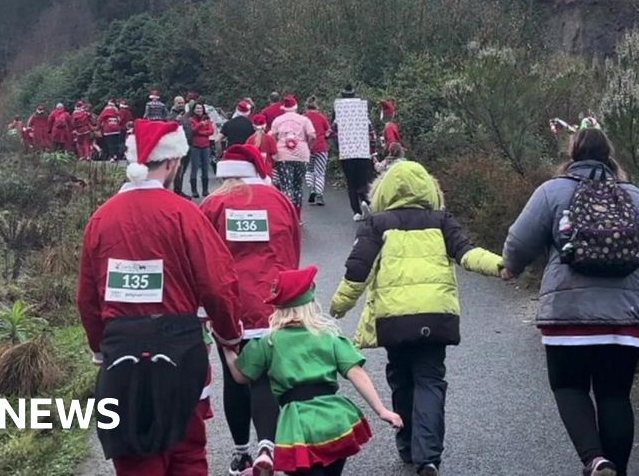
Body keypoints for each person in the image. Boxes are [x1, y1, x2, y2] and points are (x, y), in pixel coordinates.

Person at [502, 119, 639, 476]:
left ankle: (595, 460)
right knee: (615, 395)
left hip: (568, 315)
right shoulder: (635, 196)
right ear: (609, 156)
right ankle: (614, 470)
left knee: (569, 386)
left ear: (572, 154)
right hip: (629, 319)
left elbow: (518, 244)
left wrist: (511, 268)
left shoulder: (552, 191)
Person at [77, 118, 243, 476]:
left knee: (134, 452)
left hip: (121, 350)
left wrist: (98, 347)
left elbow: (88, 298)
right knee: (187, 451)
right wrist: (230, 334)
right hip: (181, 349)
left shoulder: (101, 218)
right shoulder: (185, 214)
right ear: (171, 162)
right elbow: (217, 284)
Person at [330, 161, 504, 476]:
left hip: (394, 318)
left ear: (383, 190)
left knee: (401, 377)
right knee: (431, 379)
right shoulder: (442, 221)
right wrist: (501, 266)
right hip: (437, 316)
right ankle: (429, 457)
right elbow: (468, 253)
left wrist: (339, 305)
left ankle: (408, 444)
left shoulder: (376, 223)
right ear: (429, 188)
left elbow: (358, 270)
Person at [223, 266, 403, 476]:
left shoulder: (269, 342)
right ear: (311, 304)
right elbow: (357, 374)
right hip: (335, 420)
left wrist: (227, 347)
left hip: (298, 425)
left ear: (278, 308)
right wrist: (382, 410)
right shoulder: (328, 336)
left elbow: (240, 375)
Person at [201, 145, 301, 476]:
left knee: (236, 376)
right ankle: (269, 445)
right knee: (269, 375)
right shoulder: (281, 201)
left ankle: (241, 452)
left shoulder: (214, 204)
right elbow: (293, 248)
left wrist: (202, 306)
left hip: (230, 305)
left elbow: (202, 258)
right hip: (275, 302)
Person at [332, 85, 376, 221]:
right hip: (363, 152)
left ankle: (356, 211)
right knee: (364, 179)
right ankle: (365, 201)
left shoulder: (339, 113)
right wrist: (373, 152)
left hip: (346, 153)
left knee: (351, 182)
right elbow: (372, 134)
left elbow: (332, 132)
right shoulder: (362, 112)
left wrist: (338, 146)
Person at [270, 95, 316, 212]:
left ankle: (287, 214)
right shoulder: (304, 120)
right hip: (301, 155)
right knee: (298, 186)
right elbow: (312, 136)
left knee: (286, 186)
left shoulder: (277, 120)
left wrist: (277, 146)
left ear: (284, 108)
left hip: (283, 155)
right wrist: (308, 146)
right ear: (296, 107)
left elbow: (273, 136)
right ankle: (297, 215)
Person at [303, 97, 332, 206]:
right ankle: (319, 195)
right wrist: (324, 136)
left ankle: (312, 190)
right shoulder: (322, 117)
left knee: (309, 170)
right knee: (320, 172)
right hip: (321, 147)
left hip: (308, 148)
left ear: (306, 107)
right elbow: (329, 131)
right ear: (317, 106)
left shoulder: (303, 118)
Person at [188, 103, 215, 199]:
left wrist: (201, 132)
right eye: (197, 108)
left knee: (205, 168)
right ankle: (194, 190)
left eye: (200, 108)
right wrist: (201, 125)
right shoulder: (191, 119)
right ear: (194, 110)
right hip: (195, 146)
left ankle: (205, 189)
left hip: (206, 146)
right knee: (194, 168)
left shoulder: (207, 118)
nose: (199, 110)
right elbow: (193, 130)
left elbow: (211, 131)